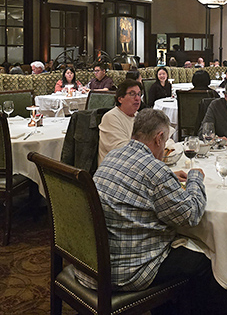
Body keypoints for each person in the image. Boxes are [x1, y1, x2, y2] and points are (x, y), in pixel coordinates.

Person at [88, 109, 208, 295]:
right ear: (159, 138)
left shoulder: (112, 156)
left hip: (91, 264)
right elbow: (191, 216)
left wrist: (169, 178)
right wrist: (195, 178)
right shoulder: (156, 171)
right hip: (126, 273)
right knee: (205, 258)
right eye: (165, 140)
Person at [98, 80, 142, 164]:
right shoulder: (111, 117)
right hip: (114, 169)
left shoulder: (138, 116)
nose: (137, 98)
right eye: (132, 94)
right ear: (120, 99)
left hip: (134, 164)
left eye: (139, 94)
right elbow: (122, 151)